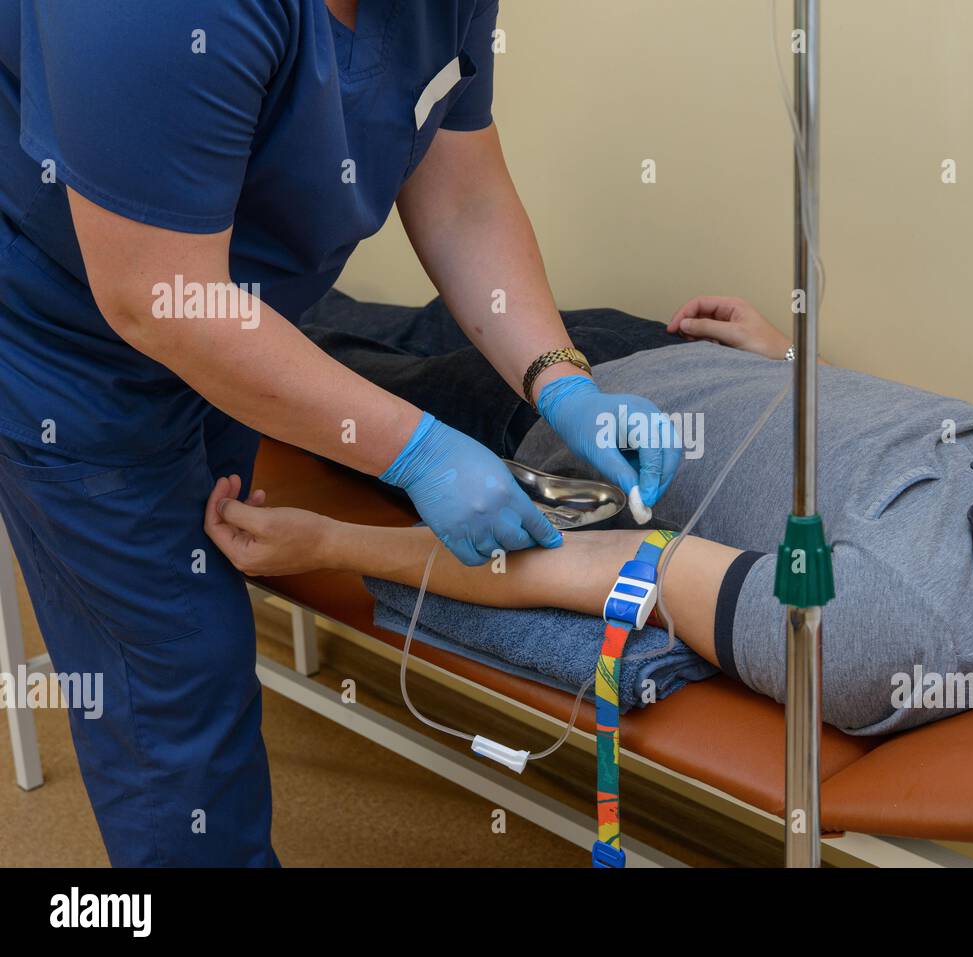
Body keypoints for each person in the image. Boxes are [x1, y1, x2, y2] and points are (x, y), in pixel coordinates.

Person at [0, 0, 677, 865]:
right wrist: (417, 451)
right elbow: (154, 296)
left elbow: (461, 187)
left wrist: (561, 375)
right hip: (67, 333)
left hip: (247, 320)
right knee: (177, 679)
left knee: (202, 582)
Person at [206, 292, 973, 735]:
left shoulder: (886, 630)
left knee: (276, 337)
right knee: (396, 302)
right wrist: (783, 364)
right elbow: (882, 435)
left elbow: (604, 565)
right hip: (628, 355)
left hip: (527, 441)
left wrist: (329, 544)